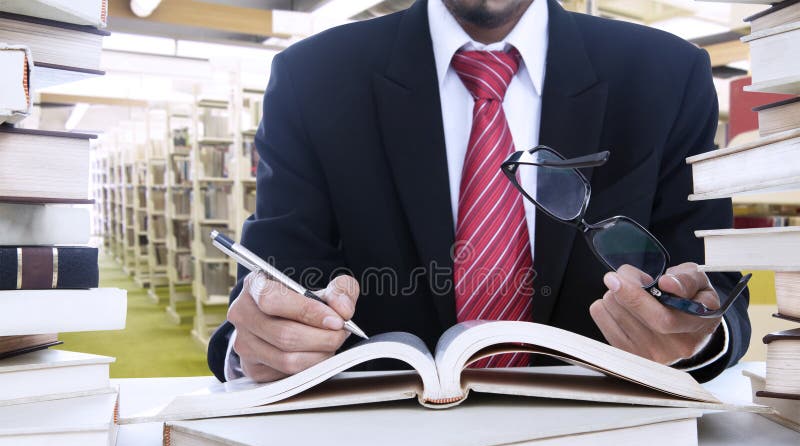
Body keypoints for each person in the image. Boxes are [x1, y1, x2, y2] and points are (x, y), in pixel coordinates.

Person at [208, 0, 751, 384]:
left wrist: (692, 334)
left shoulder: (667, 74)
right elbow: (273, 277)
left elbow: (713, 280)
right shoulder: (312, 78)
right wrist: (261, 342)